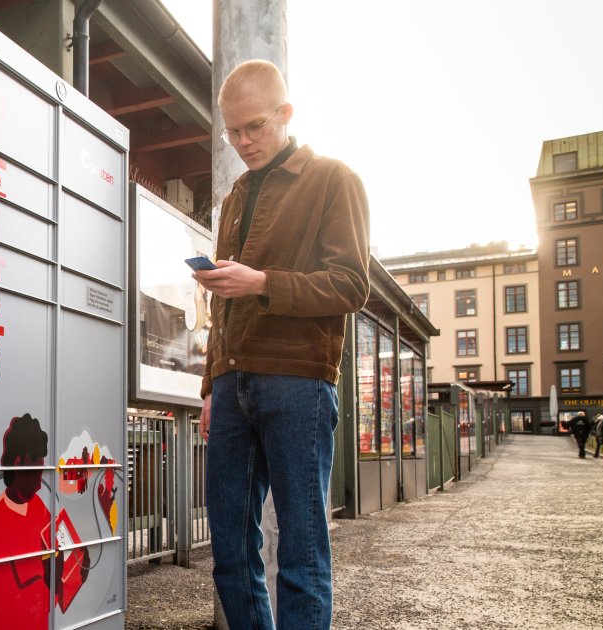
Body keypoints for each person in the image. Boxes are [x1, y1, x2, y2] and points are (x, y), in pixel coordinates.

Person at [192, 59, 370, 630]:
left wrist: (262, 282)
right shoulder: (234, 198)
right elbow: (222, 306)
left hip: (299, 383)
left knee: (301, 549)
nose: (242, 142)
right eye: (232, 131)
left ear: (286, 114)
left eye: (255, 127)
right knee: (229, 548)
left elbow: (352, 285)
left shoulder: (334, 179)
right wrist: (209, 389)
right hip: (231, 383)